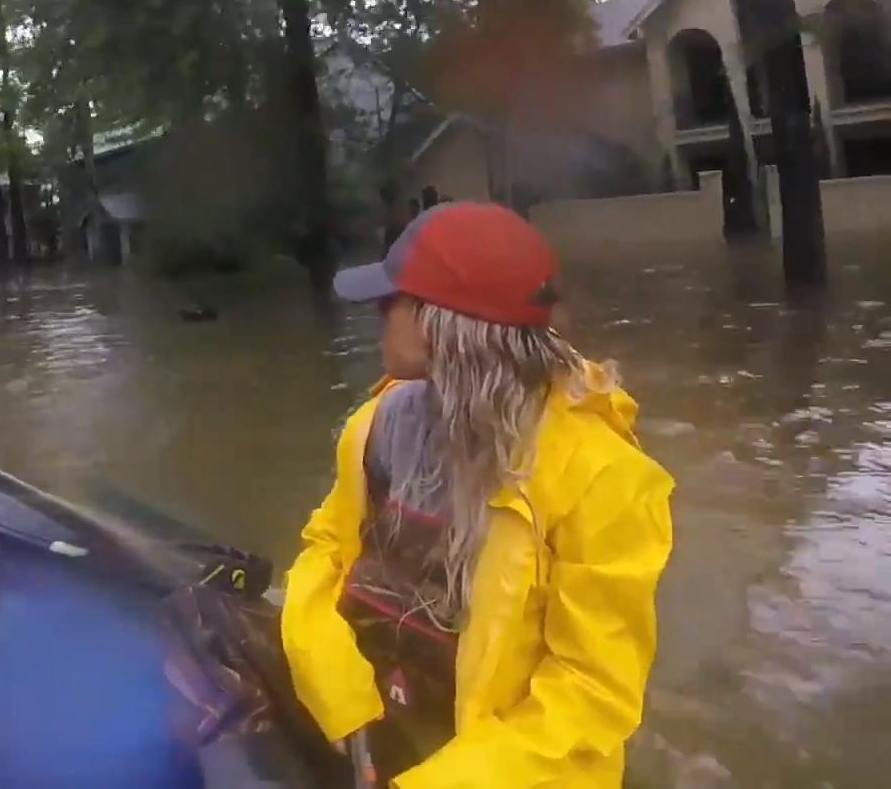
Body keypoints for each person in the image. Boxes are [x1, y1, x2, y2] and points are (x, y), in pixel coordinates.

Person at [280, 202, 674, 787]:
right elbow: (325, 552)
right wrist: (340, 697)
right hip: (377, 725)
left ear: (442, 324)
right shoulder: (375, 426)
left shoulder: (606, 478)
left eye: (392, 299)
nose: (376, 312)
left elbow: (592, 695)